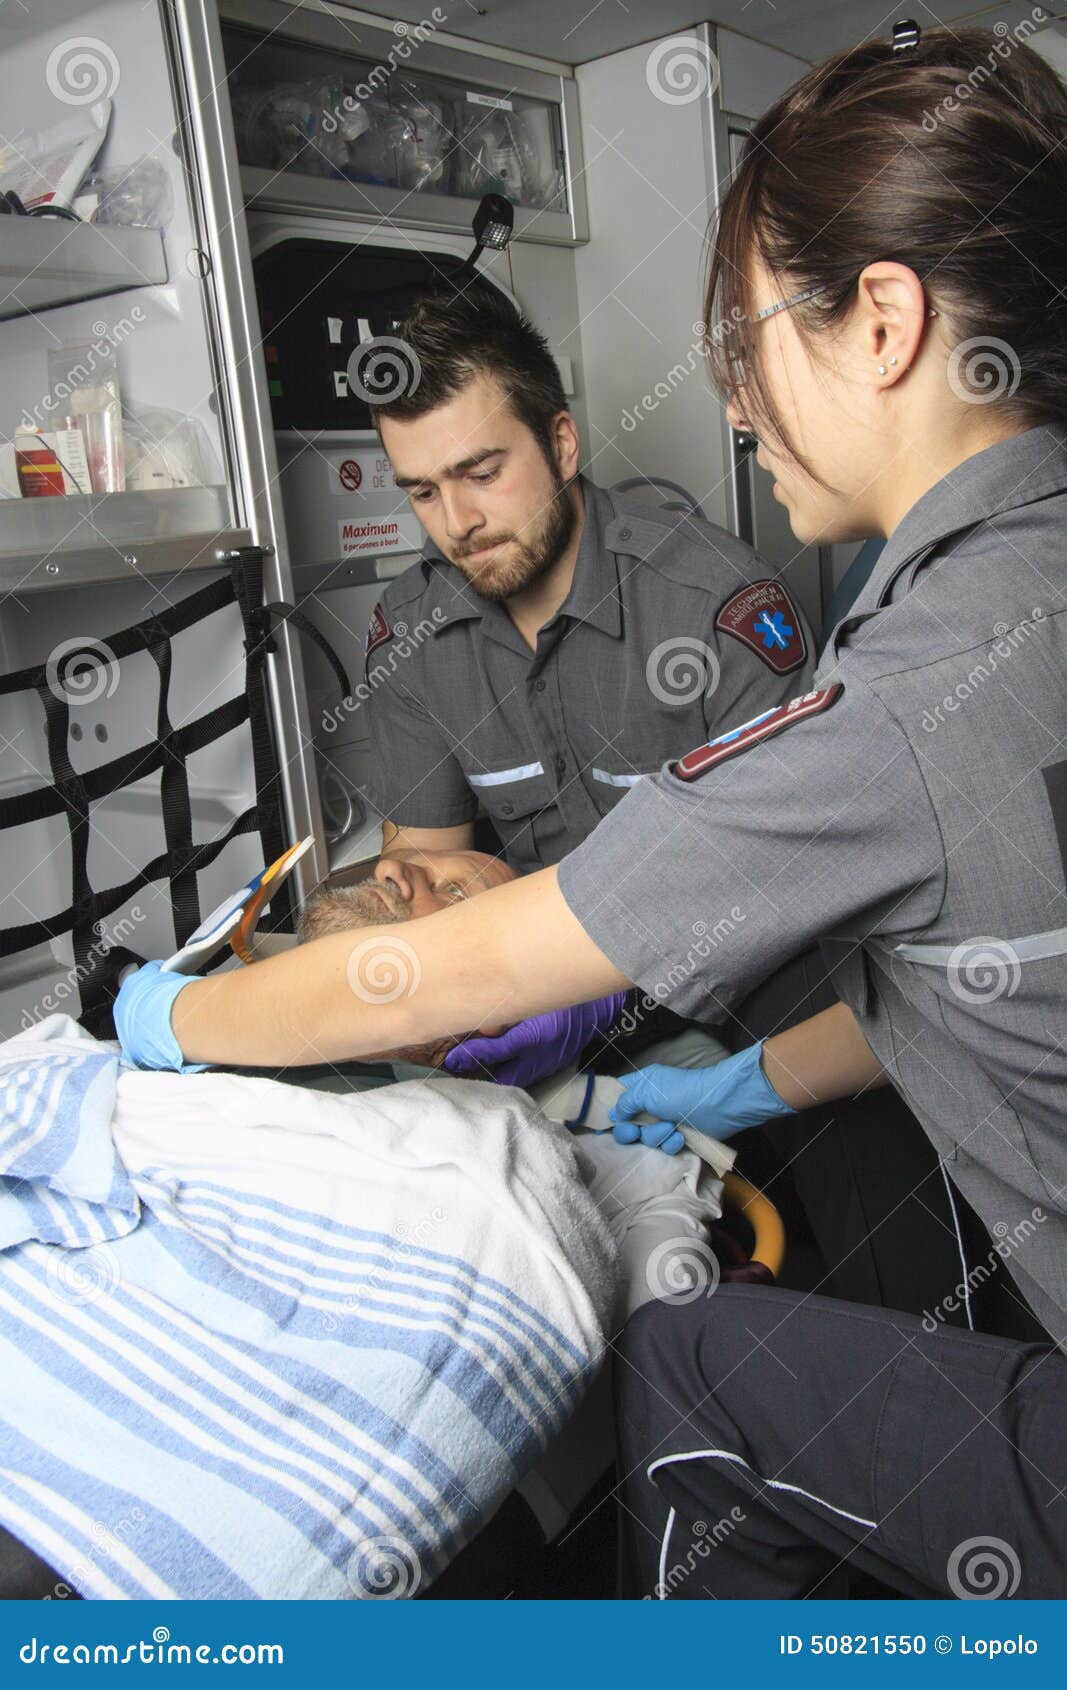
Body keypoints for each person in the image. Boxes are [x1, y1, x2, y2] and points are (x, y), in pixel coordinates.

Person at [116, 22, 1067, 1598]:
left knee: (704, 1375)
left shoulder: (855, 667)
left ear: (883, 322)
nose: (741, 409)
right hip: (692, 1045)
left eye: (741, 347)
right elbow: (955, 951)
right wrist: (720, 1089)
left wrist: (170, 1022)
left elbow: (478, 964)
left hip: (740, 1032)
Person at [360, 282, 813, 873]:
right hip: (524, 960)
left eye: (484, 475)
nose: (458, 524)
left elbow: (778, 878)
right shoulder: (411, 634)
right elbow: (422, 885)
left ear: (563, 445)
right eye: (423, 492)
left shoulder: (717, 605)